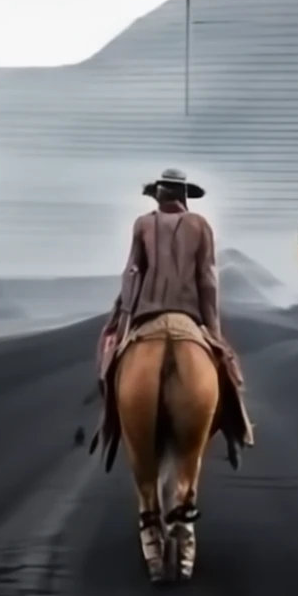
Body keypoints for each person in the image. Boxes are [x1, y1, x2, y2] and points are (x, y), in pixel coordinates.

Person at [93, 167, 253, 469]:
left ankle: (110, 429)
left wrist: (123, 314)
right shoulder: (200, 225)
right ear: (184, 196)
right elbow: (208, 279)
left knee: (110, 363)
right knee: (226, 368)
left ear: (159, 195)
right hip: (189, 313)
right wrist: (214, 330)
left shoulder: (142, 224)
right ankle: (237, 432)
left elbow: (132, 272)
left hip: (145, 312)